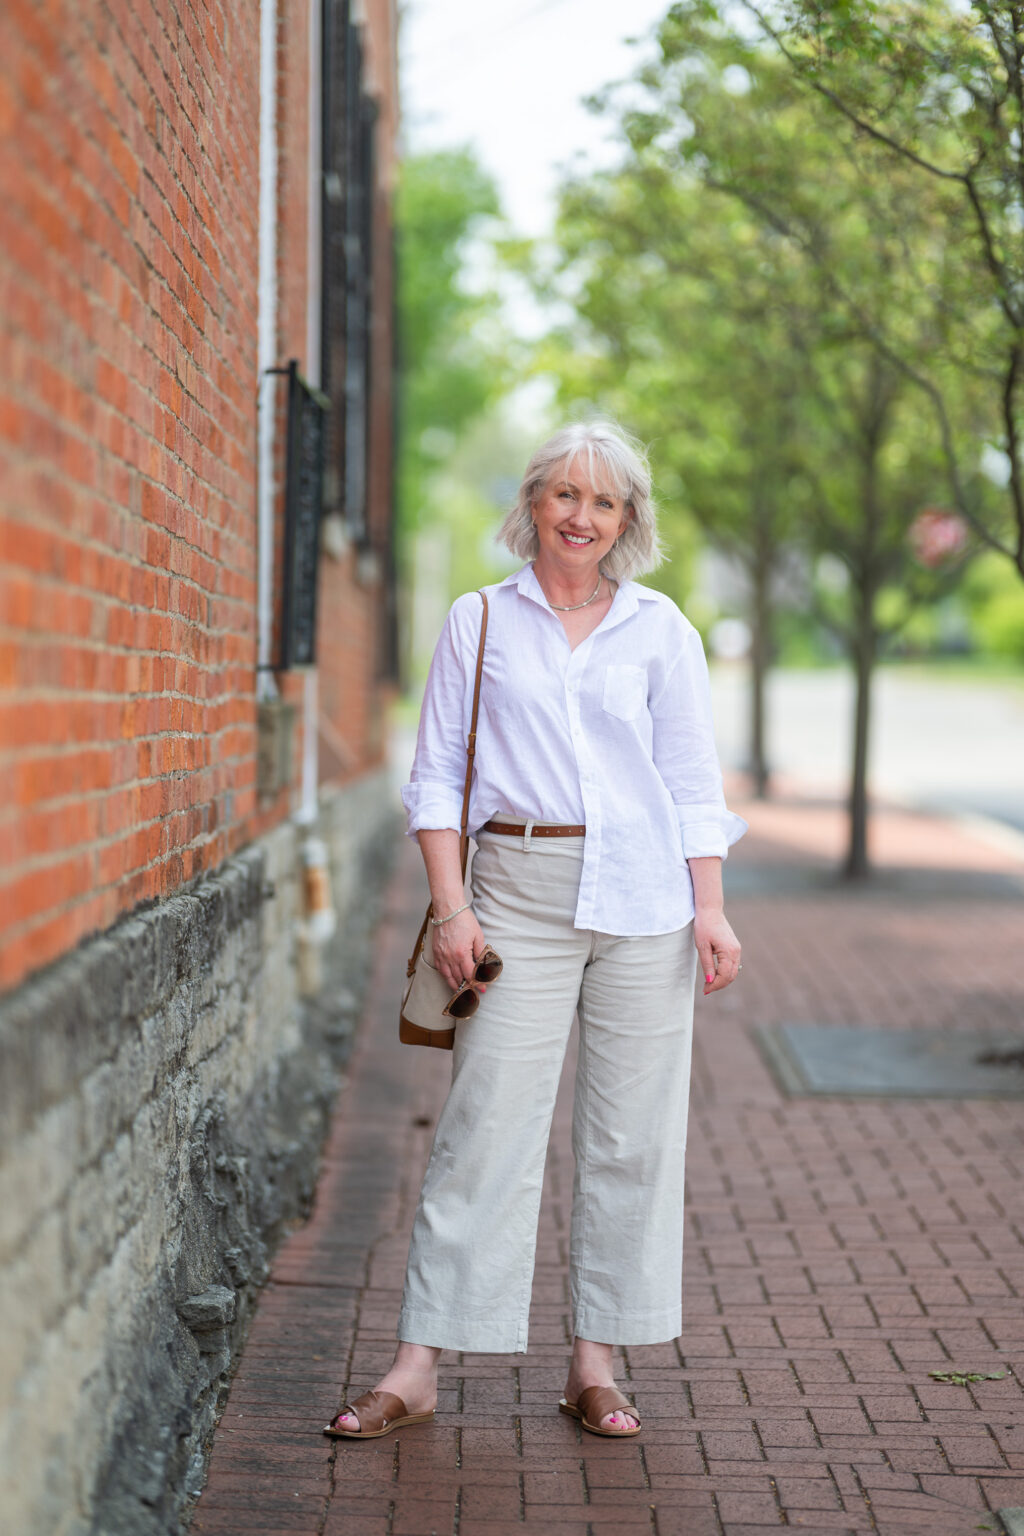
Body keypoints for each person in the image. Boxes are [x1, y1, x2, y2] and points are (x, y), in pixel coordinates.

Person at [324, 420, 746, 1442]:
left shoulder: (661, 631)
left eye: (602, 502)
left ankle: (593, 1363)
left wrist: (711, 907)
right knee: (484, 1128)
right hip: (514, 885)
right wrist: (452, 907)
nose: (580, 517)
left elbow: (690, 783)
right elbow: (433, 780)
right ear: (533, 503)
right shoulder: (478, 622)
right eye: (565, 495)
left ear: (626, 520)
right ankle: (419, 1362)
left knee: (630, 1138)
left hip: (645, 900)